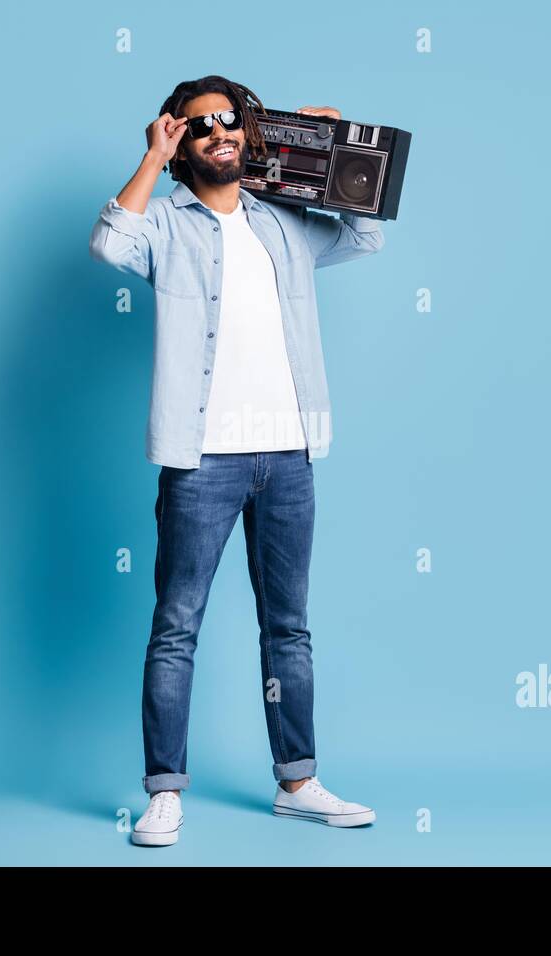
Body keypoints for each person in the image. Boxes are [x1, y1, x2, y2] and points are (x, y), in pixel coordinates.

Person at [89, 75, 385, 846]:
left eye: (230, 120)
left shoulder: (282, 219)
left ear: (247, 131)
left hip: (289, 452)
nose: (219, 131)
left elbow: (364, 233)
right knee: (177, 625)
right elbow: (108, 240)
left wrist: (331, 145)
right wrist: (152, 160)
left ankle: (299, 781)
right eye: (200, 125)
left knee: (288, 629)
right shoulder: (165, 223)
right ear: (179, 138)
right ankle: (163, 793)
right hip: (201, 462)